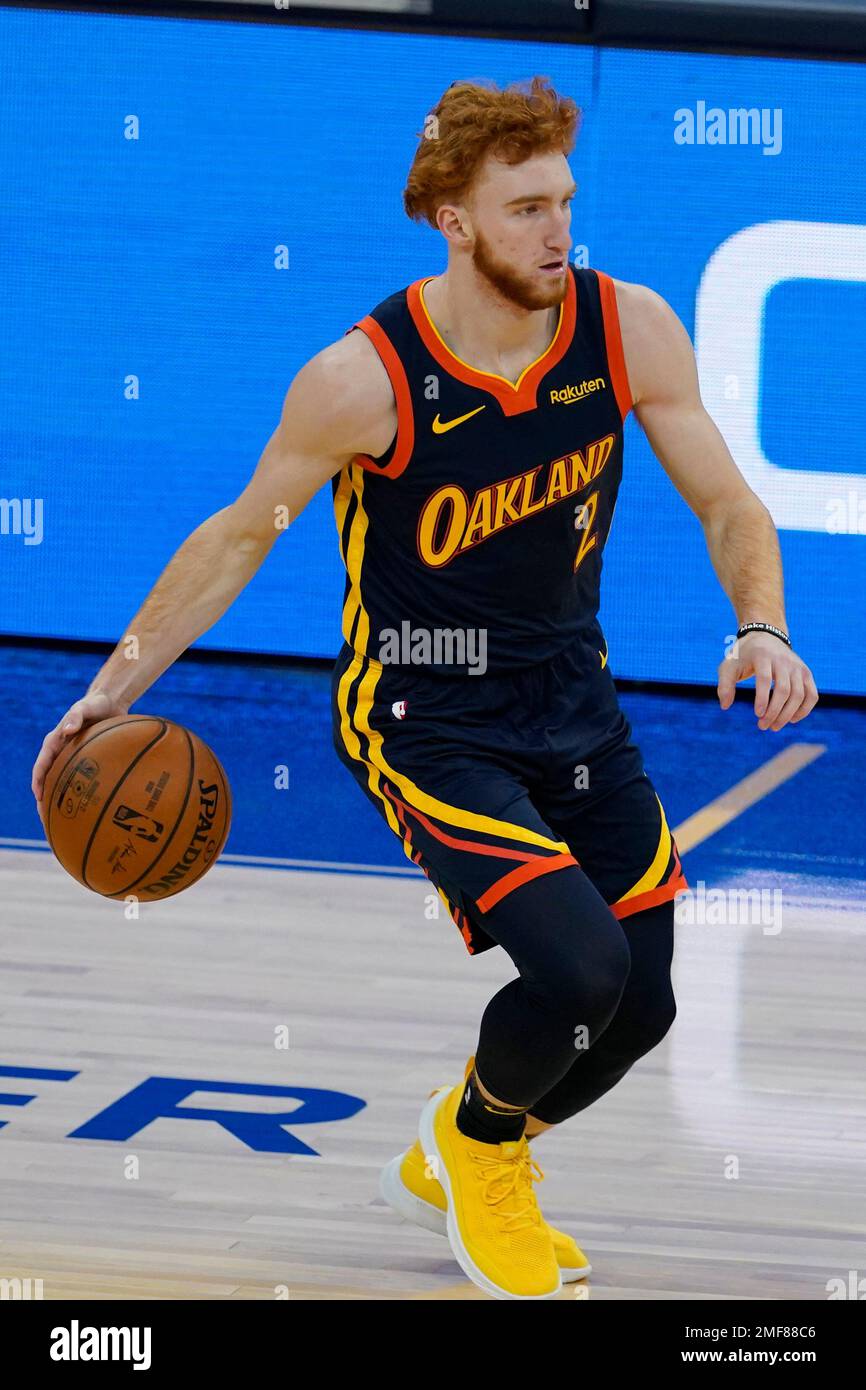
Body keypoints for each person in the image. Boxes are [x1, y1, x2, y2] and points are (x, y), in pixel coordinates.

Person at [32, 76, 818, 1301]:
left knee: (645, 1003)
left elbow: (725, 499)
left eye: (563, 200)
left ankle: (462, 1137)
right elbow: (240, 535)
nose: (557, 231)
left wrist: (758, 623)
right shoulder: (364, 379)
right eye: (524, 209)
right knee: (579, 973)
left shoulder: (624, 329)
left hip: (570, 699)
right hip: (421, 709)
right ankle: (481, 1150)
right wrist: (107, 690)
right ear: (453, 220)